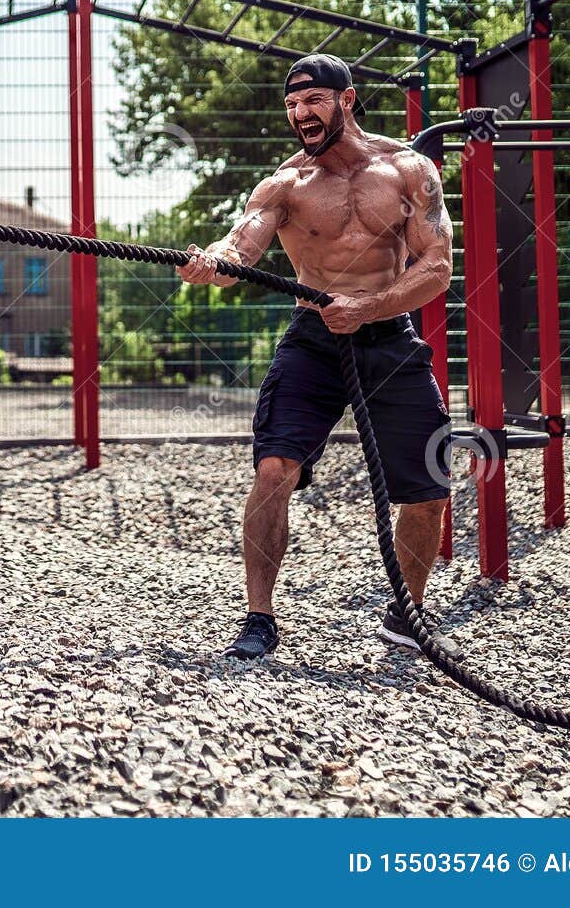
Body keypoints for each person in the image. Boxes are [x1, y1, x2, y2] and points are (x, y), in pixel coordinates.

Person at [176, 54, 455, 661]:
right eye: (292, 106)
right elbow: (240, 246)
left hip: (386, 335)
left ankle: (405, 613)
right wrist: (212, 265)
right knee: (275, 470)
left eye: (313, 102)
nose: (301, 115)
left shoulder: (409, 171)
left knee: (428, 488)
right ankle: (258, 617)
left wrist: (370, 305)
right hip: (313, 339)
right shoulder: (286, 184)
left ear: (347, 100)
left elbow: (437, 267)